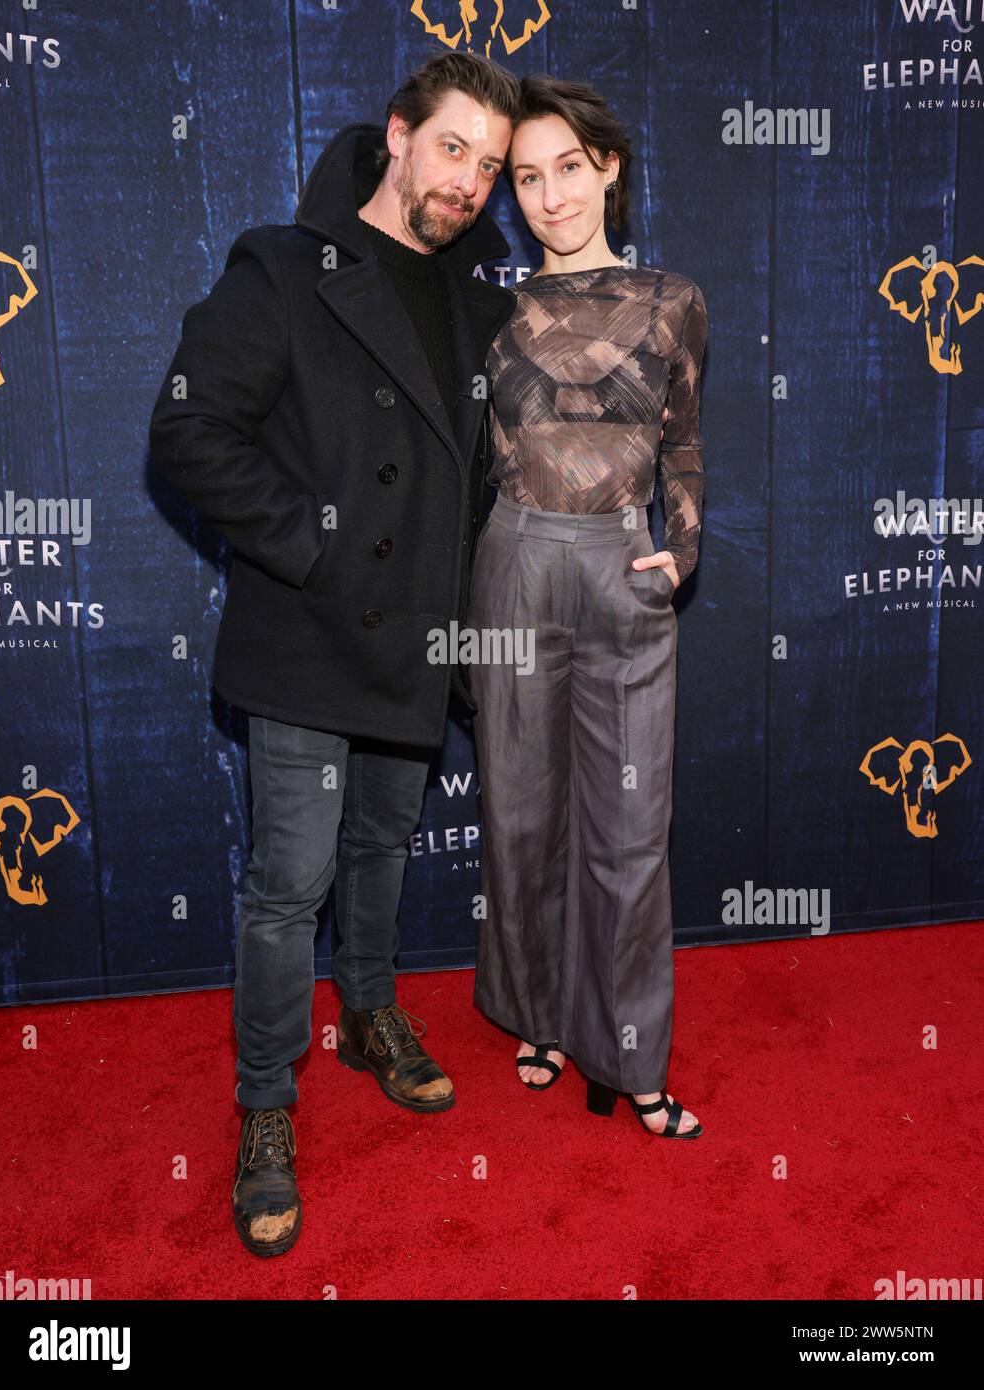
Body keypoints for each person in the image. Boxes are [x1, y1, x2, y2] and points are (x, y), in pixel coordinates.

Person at [148, 52, 521, 1256]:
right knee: (285, 890)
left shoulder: (480, 301)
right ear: (400, 135)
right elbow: (189, 431)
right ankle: (266, 1105)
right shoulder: (284, 266)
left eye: (493, 168)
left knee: (382, 847)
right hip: (308, 636)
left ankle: (368, 1015)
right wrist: (312, 547)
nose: (469, 183)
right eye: (454, 148)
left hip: (415, 636)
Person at [466, 74, 708, 1139]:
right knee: (519, 813)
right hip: (514, 562)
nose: (550, 195)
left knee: (630, 829)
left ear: (609, 166)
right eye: (527, 176)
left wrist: (684, 546)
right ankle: (535, 1015)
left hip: (622, 568)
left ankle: (632, 1054)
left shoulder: (673, 300)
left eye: (570, 167)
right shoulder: (491, 309)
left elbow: (687, 443)